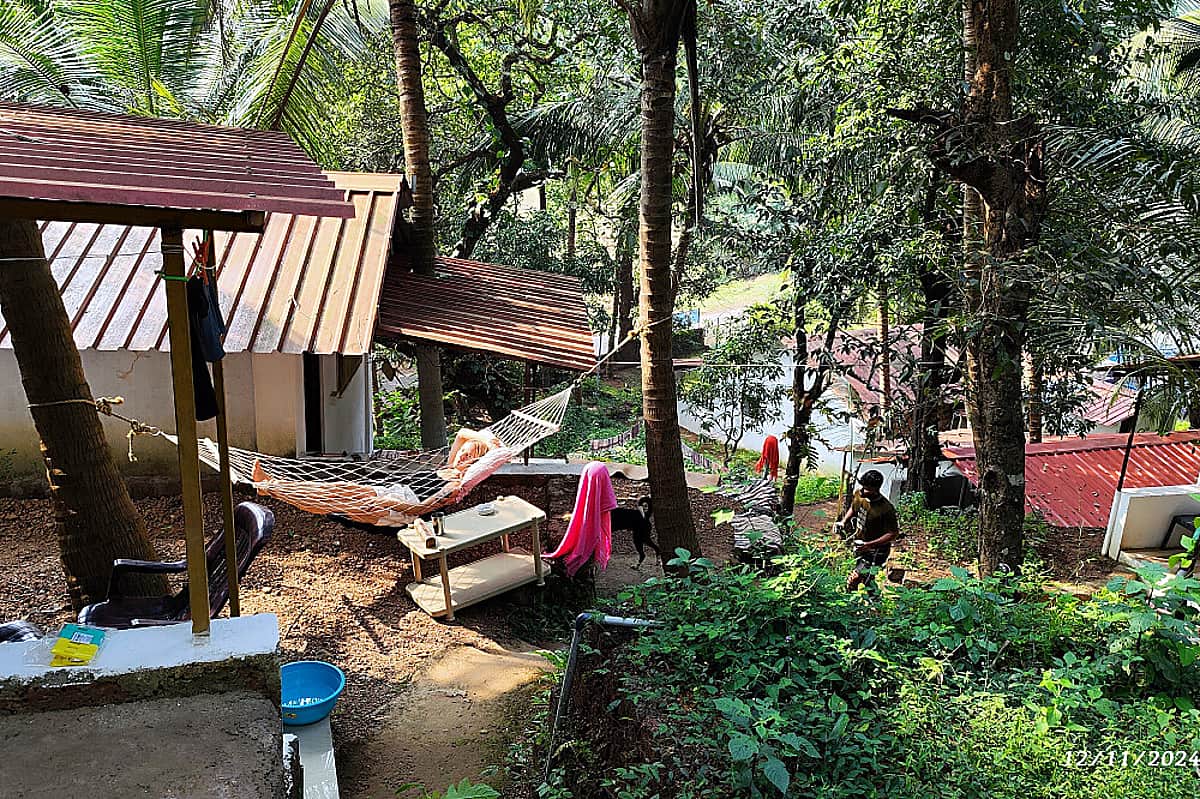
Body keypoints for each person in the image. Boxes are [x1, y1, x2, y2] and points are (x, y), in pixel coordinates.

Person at [838, 469, 899, 594]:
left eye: (866, 488)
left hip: (876, 551)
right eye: (862, 486)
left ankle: (850, 601)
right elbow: (853, 508)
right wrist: (843, 521)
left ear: (875, 489)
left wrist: (868, 545)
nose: (862, 490)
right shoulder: (859, 495)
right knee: (867, 579)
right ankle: (873, 600)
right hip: (860, 545)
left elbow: (893, 533)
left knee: (855, 578)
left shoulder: (886, 509)